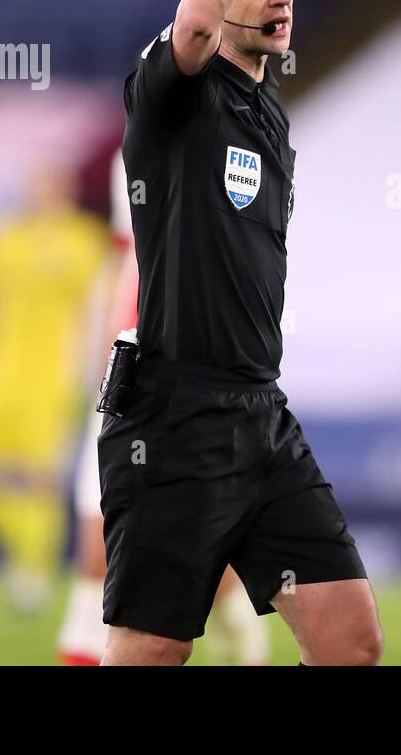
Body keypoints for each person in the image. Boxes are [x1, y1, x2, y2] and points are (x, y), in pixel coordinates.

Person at [98, 0, 381, 666]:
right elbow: (191, 26)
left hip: (261, 416)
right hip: (174, 422)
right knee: (148, 654)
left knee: (351, 641)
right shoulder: (170, 98)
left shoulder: (269, 113)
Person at [58, 152, 269, 665]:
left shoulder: (233, 152)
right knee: (96, 556)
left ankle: (241, 625)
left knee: (194, 553)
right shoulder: (127, 156)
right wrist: (97, 359)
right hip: (121, 384)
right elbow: (125, 262)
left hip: (192, 389)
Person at [0, 163, 108, 612]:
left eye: (51, 180)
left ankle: (32, 569)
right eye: (36, 180)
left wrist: (98, 374)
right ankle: (23, 549)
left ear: (68, 187)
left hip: (53, 377)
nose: (42, 189)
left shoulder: (86, 243)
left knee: (40, 476)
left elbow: (99, 315)